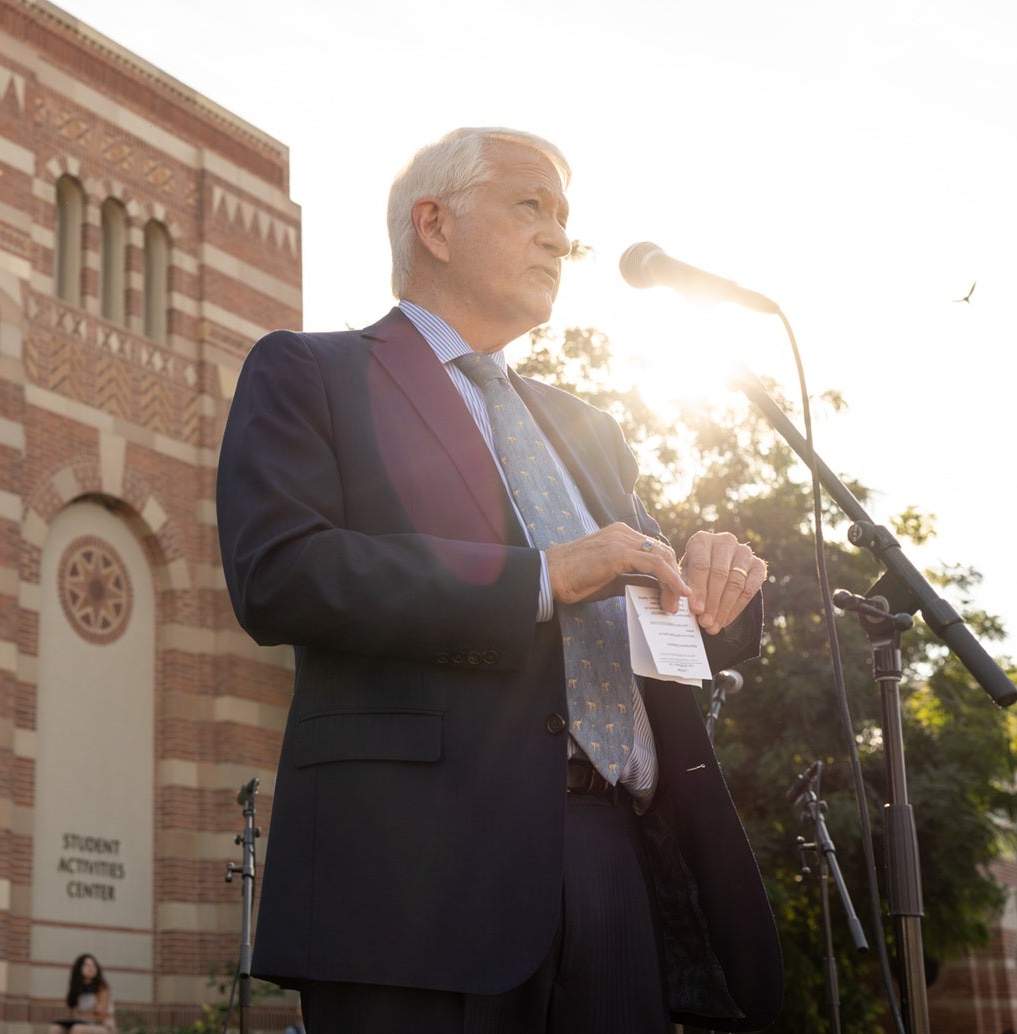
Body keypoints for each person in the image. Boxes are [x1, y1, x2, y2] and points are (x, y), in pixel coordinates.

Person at [215, 127, 784, 1033]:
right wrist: (539, 577)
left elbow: (647, 607)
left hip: (613, 858)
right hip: (418, 877)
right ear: (433, 225)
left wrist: (716, 589)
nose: (560, 238)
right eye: (532, 208)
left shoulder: (589, 428)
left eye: (566, 219)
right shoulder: (311, 373)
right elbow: (279, 571)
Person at [50, 953, 115, 1033]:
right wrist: (86, 1015)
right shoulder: (77, 990)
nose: (91, 968)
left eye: (93, 965)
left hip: (103, 1026)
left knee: (78, 1029)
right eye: (87, 965)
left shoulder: (102, 988)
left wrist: (83, 1016)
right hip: (83, 1023)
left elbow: (100, 1016)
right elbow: (75, 1015)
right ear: (79, 969)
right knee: (55, 1029)